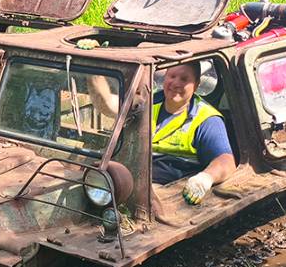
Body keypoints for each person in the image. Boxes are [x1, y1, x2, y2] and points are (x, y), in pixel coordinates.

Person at [90, 62, 236, 204]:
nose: (176, 83)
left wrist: (205, 178)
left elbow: (226, 161)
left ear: (196, 85)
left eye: (184, 79)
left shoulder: (207, 120)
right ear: (165, 78)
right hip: (131, 177)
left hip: (169, 193)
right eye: (172, 76)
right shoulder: (149, 102)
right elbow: (107, 104)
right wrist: (93, 67)